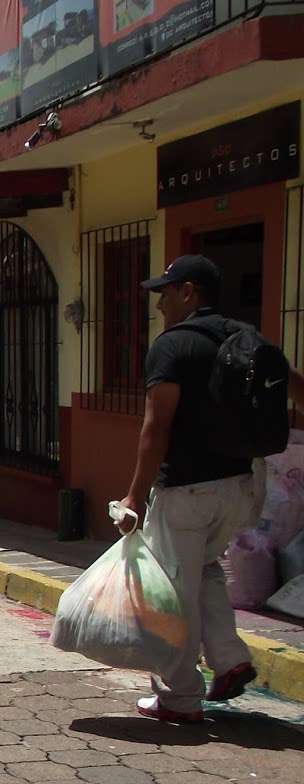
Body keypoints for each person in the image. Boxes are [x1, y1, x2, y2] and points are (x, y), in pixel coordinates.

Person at [120, 255, 304, 722]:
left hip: (186, 490)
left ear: (189, 291)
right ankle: (230, 660)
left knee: (172, 591)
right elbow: (296, 387)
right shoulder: (248, 337)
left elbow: (155, 427)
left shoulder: (173, 346)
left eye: (165, 292)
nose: (159, 304)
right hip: (242, 487)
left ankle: (179, 698)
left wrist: (134, 496)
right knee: (204, 571)